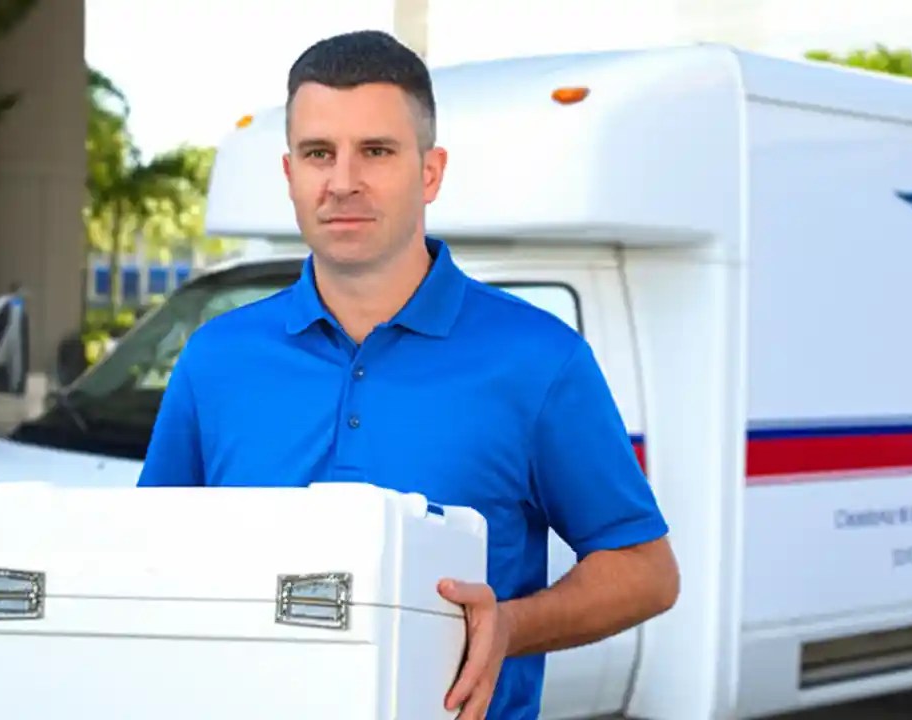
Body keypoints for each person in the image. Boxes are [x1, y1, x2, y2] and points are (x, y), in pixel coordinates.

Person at [138, 29, 679, 719]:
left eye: (376, 151)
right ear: (290, 175)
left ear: (430, 171)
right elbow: (153, 558)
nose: (342, 181)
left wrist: (510, 626)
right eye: (317, 154)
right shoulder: (216, 358)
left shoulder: (539, 359)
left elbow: (646, 572)